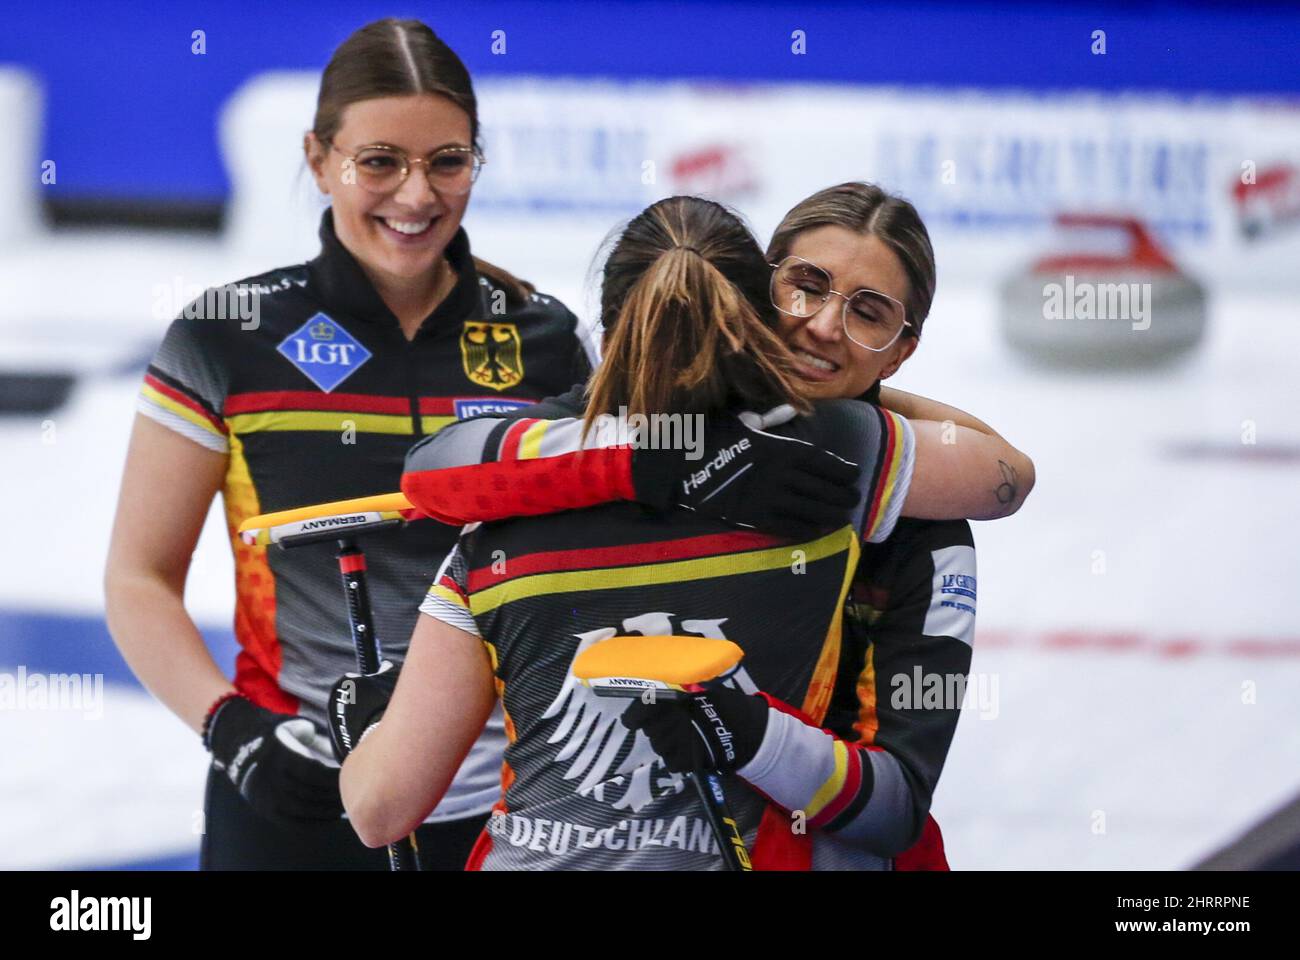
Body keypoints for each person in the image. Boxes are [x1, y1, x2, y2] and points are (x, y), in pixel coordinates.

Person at [334, 195, 1032, 869]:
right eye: (806, 288)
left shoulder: (506, 500)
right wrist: (676, 458)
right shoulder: (845, 455)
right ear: (755, 302)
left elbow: (379, 806)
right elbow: (1007, 472)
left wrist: (368, 729)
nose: (822, 326)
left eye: (867, 314)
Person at [103, 18, 592, 870]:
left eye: (448, 161)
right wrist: (234, 729)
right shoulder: (226, 335)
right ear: (318, 157)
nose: (416, 196)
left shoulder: (547, 339)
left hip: (513, 811)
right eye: (380, 162)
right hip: (292, 792)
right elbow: (138, 576)